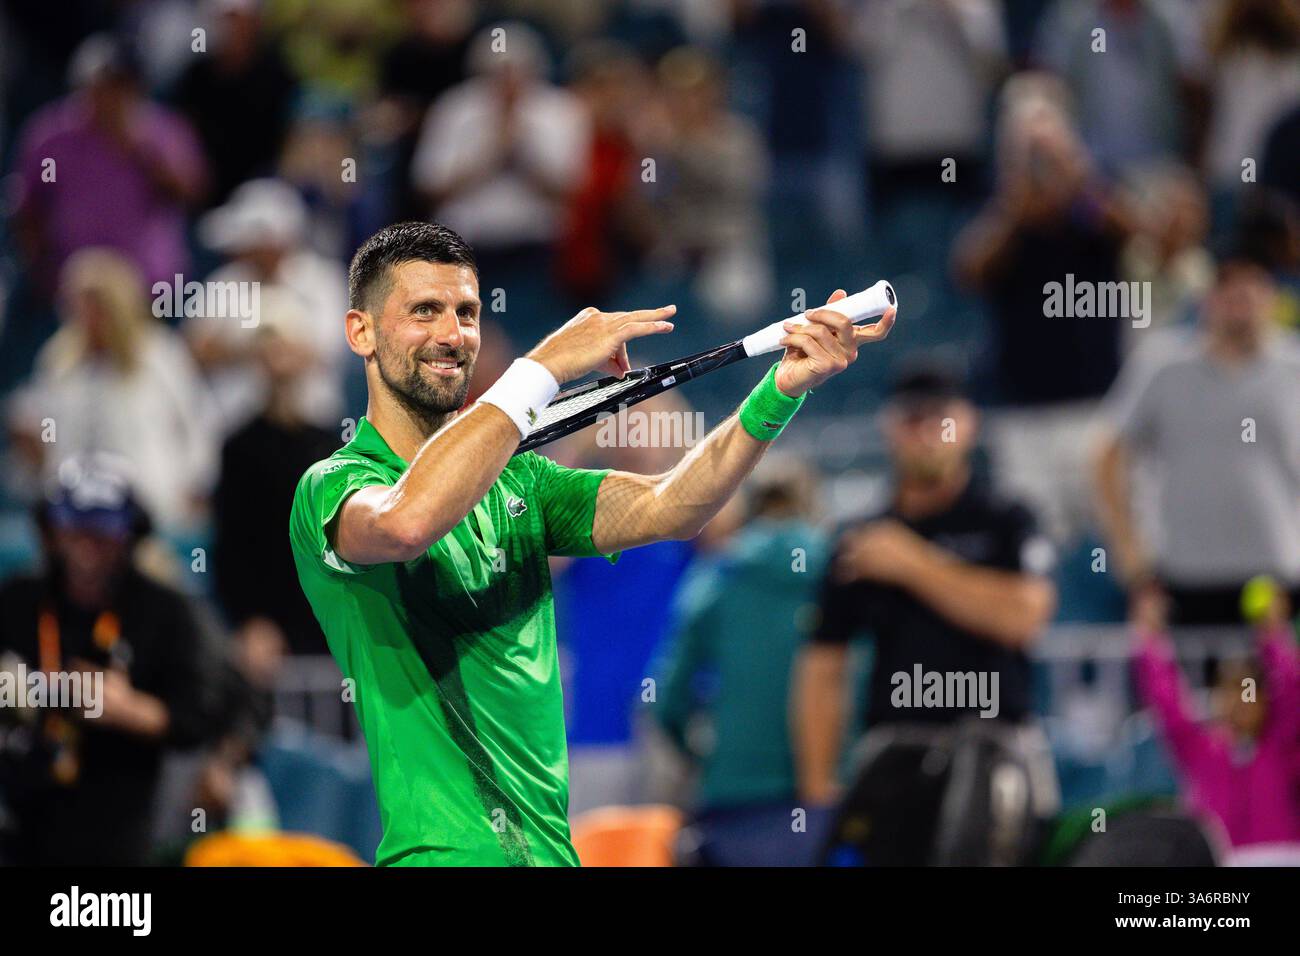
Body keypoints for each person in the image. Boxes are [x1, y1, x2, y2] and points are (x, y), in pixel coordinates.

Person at [288, 220, 894, 866]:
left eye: (466, 313)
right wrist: (543, 369)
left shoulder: (521, 481)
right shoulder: (335, 487)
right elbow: (409, 522)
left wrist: (778, 391)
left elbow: (671, 506)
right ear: (362, 332)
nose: (452, 334)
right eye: (424, 311)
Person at [793, 367, 1058, 835]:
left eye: (941, 420)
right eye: (913, 421)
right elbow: (822, 668)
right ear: (890, 429)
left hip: (999, 742)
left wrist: (911, 563)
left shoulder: (1006, 519)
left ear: (969, 424)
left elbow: (1024, 617)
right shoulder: (860, 538)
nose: (928, 435)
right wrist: (817, 788)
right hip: (896, 750)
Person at [0, 455, 212, 865]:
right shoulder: (18, 600)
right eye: (75, 530)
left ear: (129, 537)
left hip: (120, 819)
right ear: (52, 533)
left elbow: (197, 717)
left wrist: (129, 709)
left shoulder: (163, 610)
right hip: (23, 816)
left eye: (102, 534)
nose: (87, 548)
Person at [1093, 247, 1300, 625]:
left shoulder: (1294, 368)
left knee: (1278, 685)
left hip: (1280, 577)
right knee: (1188, 685)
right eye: (1226, 284)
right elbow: (1108, 455)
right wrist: (1132, 560)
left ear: (1272, 294)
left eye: (1252, 282)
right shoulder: (1162, 364)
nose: (1240, 296)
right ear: (1206, 297)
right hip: (1183, 577)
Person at [653, 457, 832, 866]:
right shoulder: (842, 573)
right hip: (830, 794)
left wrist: (705, 757)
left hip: (736, 798)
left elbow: (667, 700)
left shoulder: (716, 579)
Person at [9, 248, 219, 536]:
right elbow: (45, 428)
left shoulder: (159, 354)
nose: (87, 315)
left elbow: (197, 424)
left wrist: (194, 486)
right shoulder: (58, 360)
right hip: (76, 511)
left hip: (152, 504)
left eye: (96, 306)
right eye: (79, 304)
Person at [10, 32, 207, 302]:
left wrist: (142, 150)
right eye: (102, 86)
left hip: (151, 292)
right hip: (75, 296)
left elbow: (192, 192)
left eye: (120, 85)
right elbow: (27, 209)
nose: (110, 96)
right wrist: (42, 273)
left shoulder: (162, 130)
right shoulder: (50, 134)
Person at [213, 290, 339, 656]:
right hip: (269, 627)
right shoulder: (238, 447)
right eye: (268, 347)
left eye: (285, 346)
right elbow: (232, 543)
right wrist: (250, 620)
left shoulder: (329, 444)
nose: (277, 357)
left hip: (327, 617)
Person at [1130, 587, 1300, 848]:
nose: (1238, 703)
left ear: (1265, 701)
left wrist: (1273, 633)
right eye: (1228, 691)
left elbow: (1292, 690)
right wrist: (1151, 638)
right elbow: (1168, 702)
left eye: (1247, 691)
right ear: (1216, 698)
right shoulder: (1201, 750)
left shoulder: (1283, 749)